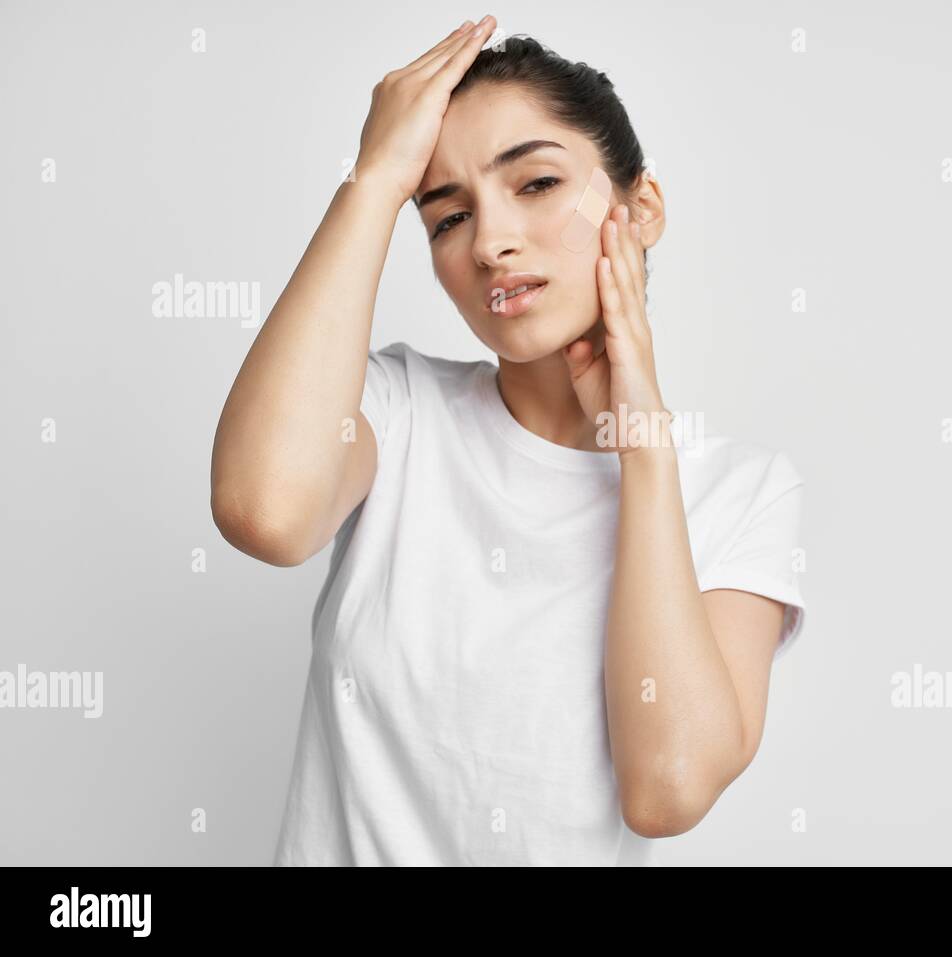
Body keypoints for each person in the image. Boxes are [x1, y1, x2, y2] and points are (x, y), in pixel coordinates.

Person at [210, 14, 807, 866]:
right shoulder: (395, 408)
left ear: (641, 209)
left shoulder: (741, 493)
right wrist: (375, 179)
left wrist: (643, 446)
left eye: (534, 184)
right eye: (447, 219)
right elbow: (262, 512)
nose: (490, 242)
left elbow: (667, 787)